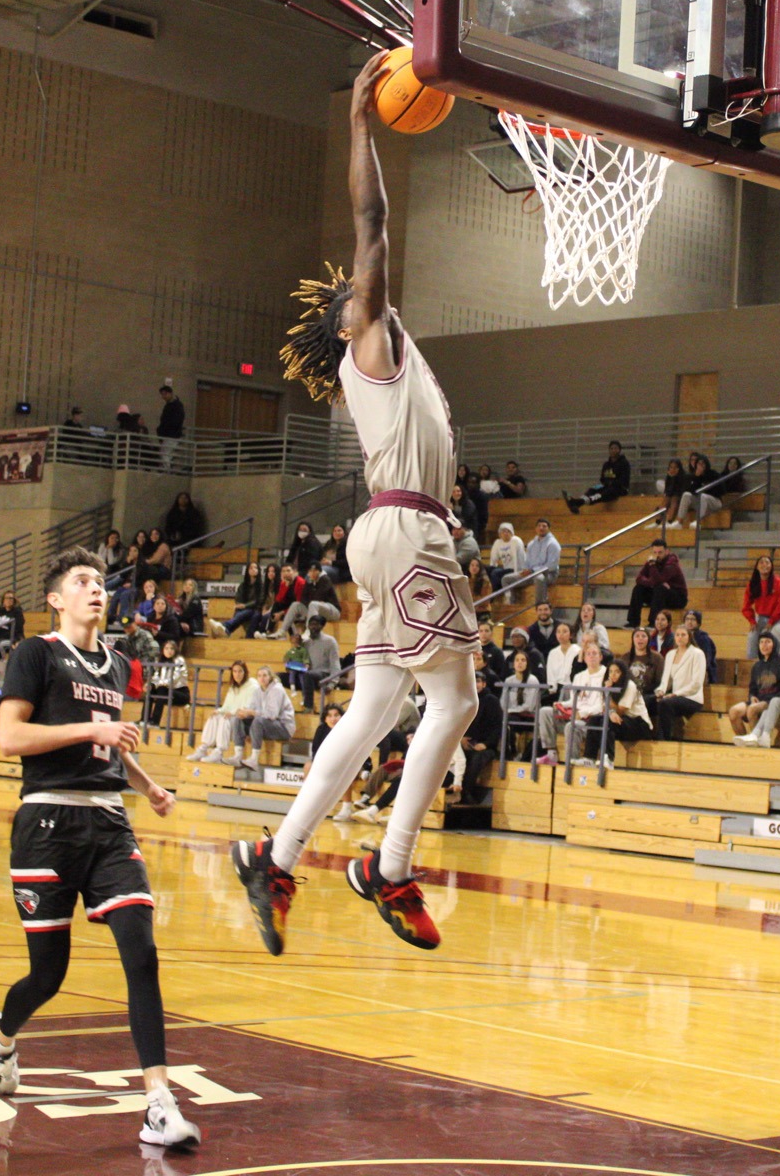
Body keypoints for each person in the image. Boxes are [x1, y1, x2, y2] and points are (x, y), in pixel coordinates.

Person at [233, 51, 483, 959]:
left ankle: (277, 853)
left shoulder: (386, 362)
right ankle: (392, 864)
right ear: (348, 317)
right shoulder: (368, 335)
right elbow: (371, 221)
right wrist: (358, 124)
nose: (366, 285)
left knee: (374, 706)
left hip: (386, 531)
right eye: (355, 292)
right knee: (454, 703)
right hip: (408, 529)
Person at [0, 548, 196, 1149]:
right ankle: (1, 1036)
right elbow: (9, 737)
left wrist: (147, 786)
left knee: (141, 953)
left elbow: (113, 743)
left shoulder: (118, 663)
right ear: (55, 598)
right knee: (47, 977)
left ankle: (157, 1100)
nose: (95, 589)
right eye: (81, 581)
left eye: (100, 581)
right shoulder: (35, 653)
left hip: (109, 825)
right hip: (46, 822)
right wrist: (90, 729)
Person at [188, 660, 256, 763]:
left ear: (245, 672)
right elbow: (226, 706)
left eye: (240, 671)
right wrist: (218, 711)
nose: (237, 674)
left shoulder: (252, 685)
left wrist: (232, 713)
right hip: (232, 714)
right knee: (214, 716)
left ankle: (219, 752)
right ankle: (204, 748)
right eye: (235, 671)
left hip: (244, 718)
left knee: (225, 718)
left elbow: (248, 706)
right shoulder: (233, 687)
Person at [726, 632, 780, 737]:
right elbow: (752, 688)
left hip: (773, 701)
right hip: (757, 700)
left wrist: (765, 701)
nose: (764, 645)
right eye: (761, 642)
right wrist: (752, 696)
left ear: (774, 644)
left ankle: (756, 742)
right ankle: (745, 741)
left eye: (768, 642)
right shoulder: (757, 666)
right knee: (733, 712)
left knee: (752, 710)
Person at [653, 625, 707, 741]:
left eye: (683, 635)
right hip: (674, 697)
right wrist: (660, 691)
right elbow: (666, 680)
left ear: (689, 636)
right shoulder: (670, 654)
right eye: (677, 635)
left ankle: (664, 739)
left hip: (691, 698)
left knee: (665, 703)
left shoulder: (697, 654)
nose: (680, 637)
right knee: (651, 700)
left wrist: (676, 694)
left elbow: (696, 684)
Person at [456, 669, 503, 800]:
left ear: (484, 684)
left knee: (477, 758)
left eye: (478, 681)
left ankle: (466, 793)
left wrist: (485, 744)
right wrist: (460, 739)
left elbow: (497, 727)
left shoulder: (491, 701)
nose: (475, 684)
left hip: (485, 746)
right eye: (472, 681)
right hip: (465, 743)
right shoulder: (464, 699)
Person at [239, 665, 296, 764]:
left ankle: (254, 758)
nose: (262, 678)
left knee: (257, 721)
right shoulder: (257, 691)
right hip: (268, 724)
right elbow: (251, 708)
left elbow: (272, 715)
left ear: (270, 677)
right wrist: (244, 712)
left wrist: (252, 712)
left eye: (265, 675)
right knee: (237, 720)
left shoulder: (277, 690)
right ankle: (237, 754)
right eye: (259, 676)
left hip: (283, 727)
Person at [626, 539, 687, 629]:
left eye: (660, 552)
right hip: (659, 595)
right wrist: (652, 582)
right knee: (638, 588)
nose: (657, 555)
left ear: (667, 551)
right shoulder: (652, 561)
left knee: (660, 588)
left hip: (677, 597)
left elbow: (658, 580)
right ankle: (633, 622)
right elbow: (639, 578)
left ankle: (653, 623)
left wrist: (653, 573)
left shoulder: (672, 563)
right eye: (655, 552)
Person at [564, 440, 632, 513]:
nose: (613, 450)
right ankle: (577, 503)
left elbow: (624, 480)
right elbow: (602, 478)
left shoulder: (624, 463)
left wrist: (612, 483)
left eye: (615, 448)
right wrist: (606, 483)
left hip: (619, 489)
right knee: (593, 489)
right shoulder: (606, 464)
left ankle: (577, 502)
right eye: (611, 448)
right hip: (607, 486)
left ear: (619, 450)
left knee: (603, 494)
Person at [500, 648, 544, 760]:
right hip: (512, 715)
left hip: (529, 717)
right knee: (502, 721)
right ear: (513, 664)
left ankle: (515, 753)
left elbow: (529, 706)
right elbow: (502, 702)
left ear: (527, 663)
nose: (520, 663)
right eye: (517, 660)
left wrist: (510, 710)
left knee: (509, 721)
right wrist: (508, 710)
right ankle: (508, 754)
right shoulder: (509, 681)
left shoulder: (532, 681)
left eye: (523, 660)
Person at [742, 555, 780, 658]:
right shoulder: (753, 583)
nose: (764, 565)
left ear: (771, 566)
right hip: (760, 617)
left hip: (777, 618)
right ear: (757, 567)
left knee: (777, 635)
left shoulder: (778, 582)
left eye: (767, 562)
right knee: (752, 637)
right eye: (761, 562)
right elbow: (746, 605)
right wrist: (752, 621)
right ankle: (751, 664)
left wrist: (771, 622)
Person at [148, 639, 192, 729]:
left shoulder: (179, 660)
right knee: (151, 689)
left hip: (180, 693)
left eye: (171, 648)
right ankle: (144, 719)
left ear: (175, 650)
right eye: (166, 648)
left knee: (162, 690)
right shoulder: (161, 661)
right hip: (165, 690)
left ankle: (155, 722)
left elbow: (175, 679)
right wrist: (152, 684)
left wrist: (161, 684)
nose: (169, 651)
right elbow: (156, 676)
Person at [672, 452, 724, 528]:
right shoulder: (693, 476)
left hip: (715, 501)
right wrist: (696, 477)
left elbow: (721, 490)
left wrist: (706, 489)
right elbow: (690, 491)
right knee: (686, 494)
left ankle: (698, 521)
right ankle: (679, 522)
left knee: (702, 495)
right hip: (701, 501)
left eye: (703, 464)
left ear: (706, 464)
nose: (701, 466)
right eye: (699, 464)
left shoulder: (713, 474)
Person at [220, 564, 269, 638]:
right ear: (247, 571)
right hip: (245, 610)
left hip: (256, 609)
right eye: (251, 568)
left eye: (255, 568)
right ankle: (228, 630)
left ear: (259, 571)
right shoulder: (243, 585)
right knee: (240, 612)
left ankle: (225, 626)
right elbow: (238, 598)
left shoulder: (261, 585)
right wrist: (240, 605)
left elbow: (259, 600)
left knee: (249, 612)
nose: (253, 569)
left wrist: (245, 605)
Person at [487, 522, 526, 591]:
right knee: (489, 570)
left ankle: (496, 593)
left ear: (512, 533)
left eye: (508, 531)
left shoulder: (516, 541)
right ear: (500, 534)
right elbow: (493, 559)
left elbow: (520, 558)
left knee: (496, 573)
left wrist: (518, 572)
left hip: (515, 568)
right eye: (503, 531)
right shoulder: (498, 543)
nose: (505, 533)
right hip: (506, 568)